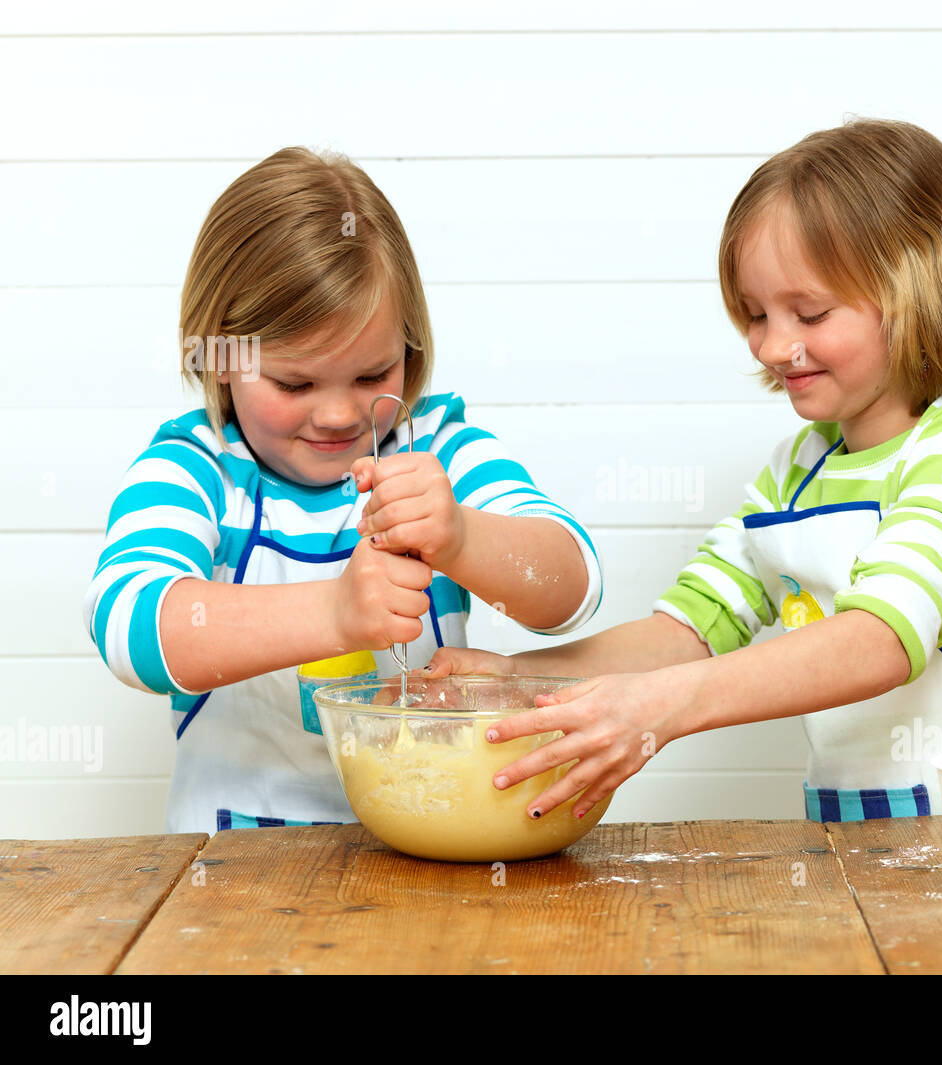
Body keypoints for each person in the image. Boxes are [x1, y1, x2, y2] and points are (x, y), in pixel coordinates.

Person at [425, 118, 942, 824]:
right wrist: (516, 678)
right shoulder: (798, 468)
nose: (773, 345)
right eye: (756, 314)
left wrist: (667, 707)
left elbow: (881, 638)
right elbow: (690, 631)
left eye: (810, 312)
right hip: (854, 846)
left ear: (920, 287)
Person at [82, 147, 601, 835]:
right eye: (294, 383)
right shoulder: (195, 468)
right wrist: (333, 612)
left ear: (411, 350)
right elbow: (128, 627)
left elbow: (571, 588)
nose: (338, 414)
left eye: (371, 375)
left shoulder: (440, 450)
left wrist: (465, 536)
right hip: (233, 876)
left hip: (426, 847)